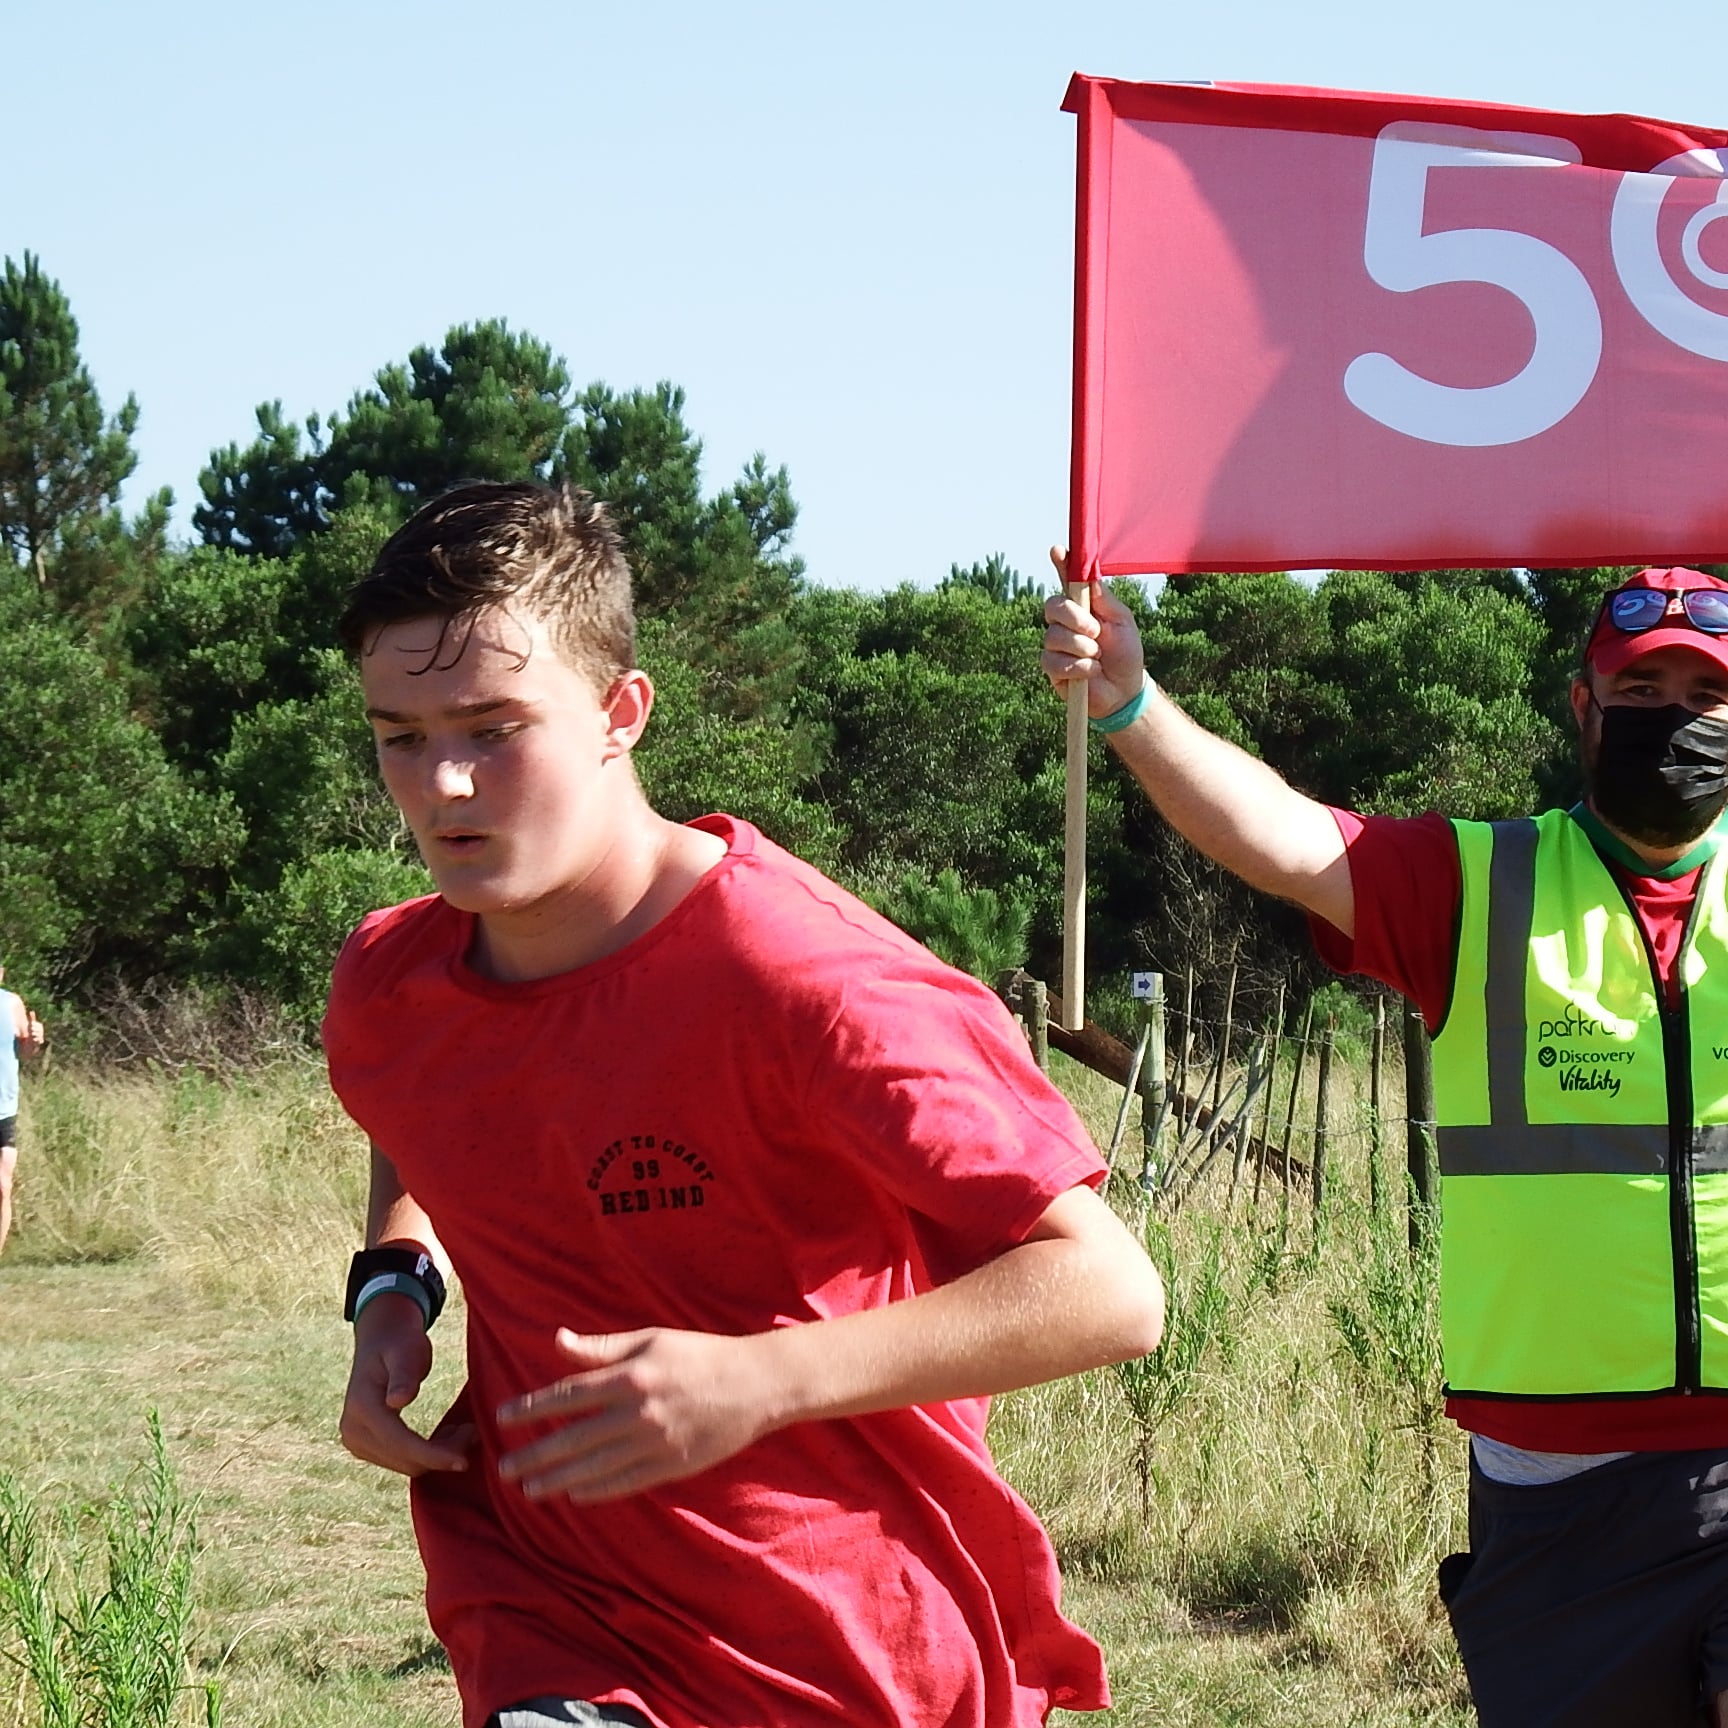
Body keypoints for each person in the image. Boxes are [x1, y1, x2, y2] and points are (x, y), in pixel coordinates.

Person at [324, 481, 1165, 1728]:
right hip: (550, 1615)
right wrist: (396, 1286)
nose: (442, 786)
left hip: (844, 1646)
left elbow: (1111, 1292)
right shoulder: (391, 986)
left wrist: (758, 1383)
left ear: (622, 713)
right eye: (401, 736)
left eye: (493, 729)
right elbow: (428, 1111)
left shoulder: (807, 981)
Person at [1043, 557, 1728, 1728]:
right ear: (1583, 707)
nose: (1672, 722)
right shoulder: (1480, 882)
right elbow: (1285, 838)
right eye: (1642, 692)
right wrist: (1130, 705)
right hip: (1558, 1486)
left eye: (1701, 696)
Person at [0, 963, 46, 1258]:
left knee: (3, 1187)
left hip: (3, 1108)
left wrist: (35, 1040)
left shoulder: (12, 1003)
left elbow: (26, 1052)